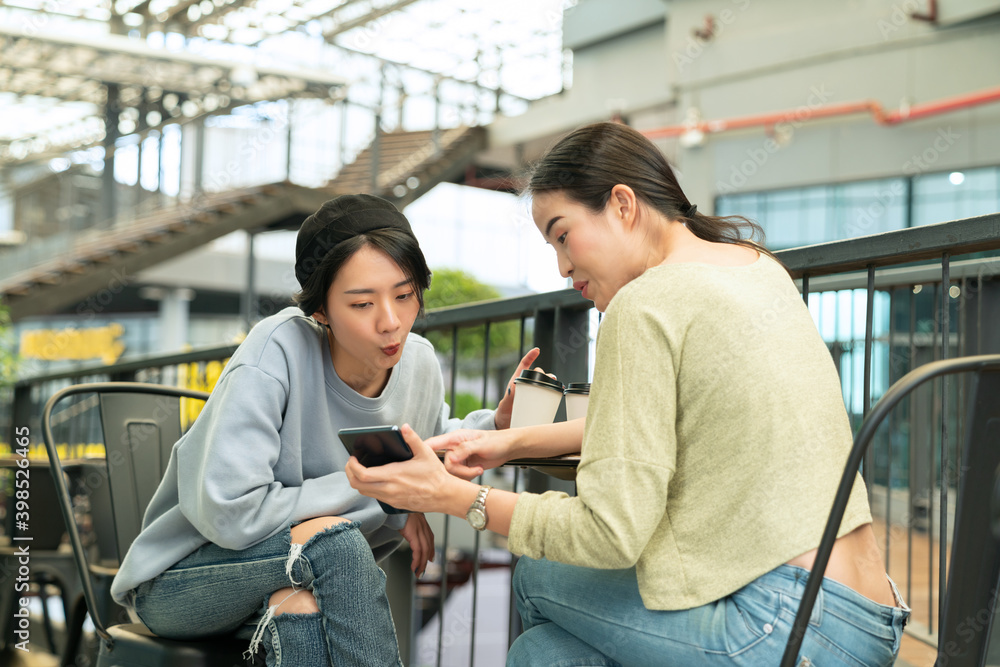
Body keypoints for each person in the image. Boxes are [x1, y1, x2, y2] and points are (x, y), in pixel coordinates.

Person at [346, 122, 911, 666]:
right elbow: (660, 422)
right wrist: (511, 442)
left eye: (563, 236)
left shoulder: (645, 305)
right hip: (865, 614)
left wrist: (451, 496)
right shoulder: (757, 268)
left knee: (540, 576)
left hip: (782, 630)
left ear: (622, 204)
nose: (563, 266)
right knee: (541, 655)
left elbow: (610, 535)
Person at [110, 194, 540, 666]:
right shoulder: (275, 352)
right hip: (187, 579)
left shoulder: (416, 360)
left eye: (404, 294)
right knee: (333, 539)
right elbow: (230, 515)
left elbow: (427, 443)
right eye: (361, 303)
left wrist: (496, 426)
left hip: (297, 580)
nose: (391, 322)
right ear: (321, 310)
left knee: (302, 612)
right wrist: (380, 492)